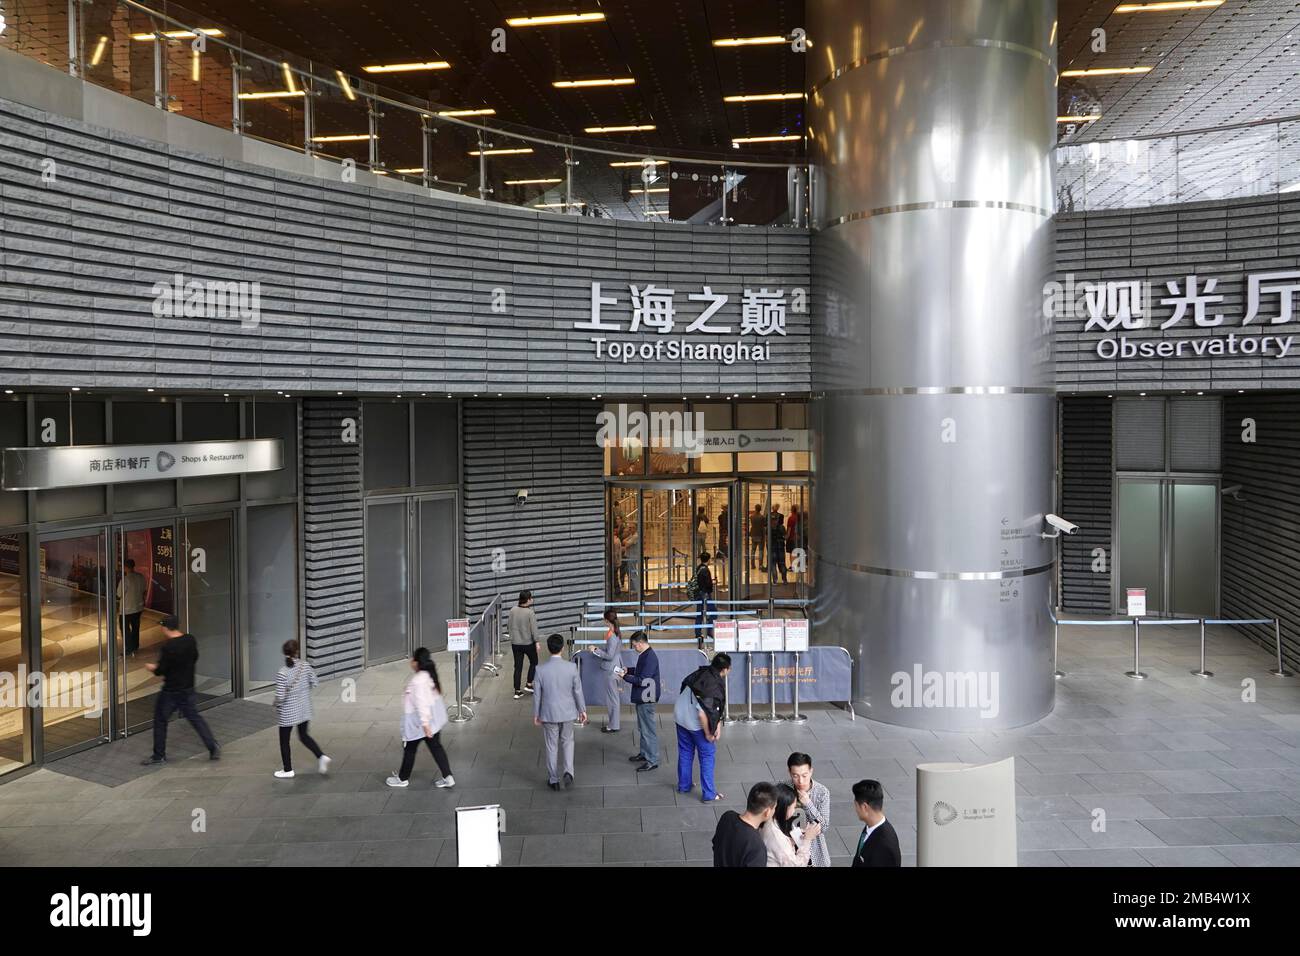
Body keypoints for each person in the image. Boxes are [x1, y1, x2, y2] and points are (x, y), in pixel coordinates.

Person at [140, 615, 220, 765]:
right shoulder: (190, 639)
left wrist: (152, 668)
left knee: (160, 720)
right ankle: (212, 746)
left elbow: (160, 670)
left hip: (171, 690)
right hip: (188, 687)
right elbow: (195, 657)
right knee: (195, 718)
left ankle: (159, 755)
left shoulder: (168, 647)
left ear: (164, 628)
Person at [387, 648, 455, 789]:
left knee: (410, 750)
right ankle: (448, 776)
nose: (411, 661)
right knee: (436, 748)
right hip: (432, 722)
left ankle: (402, 779)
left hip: (419, 725)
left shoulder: (418, 681)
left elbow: (421, 704)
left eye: (413, 659)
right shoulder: (429, 675)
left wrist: (425, 724)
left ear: (416, 662)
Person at [534, 633, 588, 790]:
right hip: (568, 712)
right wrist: (582, 710)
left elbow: (537, 695)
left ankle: (553, 780)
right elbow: (578, 691)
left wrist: (536, 714)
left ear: (548, 649)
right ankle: (568, 772)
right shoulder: (571, 667)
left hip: (548, 713)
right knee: (568, 742)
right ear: (562, 649)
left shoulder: (540, 670)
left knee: (551, 745)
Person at [675, 653, 730, 802]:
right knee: (707, 755)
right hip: (695, 721)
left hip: (680, 714)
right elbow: (702, 713)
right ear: (726, 670)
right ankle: (709, 794)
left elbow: (684, 685)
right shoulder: (713, 684)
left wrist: (717, 722)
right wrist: (708, 733)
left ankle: (684, 785)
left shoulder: (701, 672)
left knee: (685, 750)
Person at [273, 639, 330, 779]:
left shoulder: (282, 673)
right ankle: (321, 756)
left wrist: (276, 703)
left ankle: (288, 770)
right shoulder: (306, 666)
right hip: (304, 708)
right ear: (297, 651)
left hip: (288, 711)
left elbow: (280, 696)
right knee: (304, 736)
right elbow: (315, 683)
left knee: (284, 740)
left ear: (284, 653)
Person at [712, 782, 777, 867]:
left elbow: (715, 845)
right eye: (774, 808)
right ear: (767, 811)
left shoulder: (727, 817)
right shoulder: (756, 847)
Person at [622, 630, 660, 771]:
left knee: (648, 729)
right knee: (643, 727)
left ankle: (652, 760)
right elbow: (640, 671)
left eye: (634, 645)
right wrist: (629, 670)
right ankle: (645, 754)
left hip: (646, 697)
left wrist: (624, 677)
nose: (634, 648)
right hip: (644, 696)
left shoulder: (649, 657)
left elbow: (643, 680)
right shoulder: (645, 655)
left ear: (641, 643)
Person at [787, 752, 832, 867]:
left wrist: (808, 804)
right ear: (789, 772)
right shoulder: (783, 789)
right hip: (788, 847)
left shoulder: (822, 792)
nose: (800, 781)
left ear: (811, 771)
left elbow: (824, 826)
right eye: (795, 776)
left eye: (804, 775)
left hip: (813, 849)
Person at [762, 782, 823, 867]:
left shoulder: (767, 820)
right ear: (784, 808)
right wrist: (807, 839)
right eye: (793, 807)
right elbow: (797, 864)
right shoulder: (778, 839)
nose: (794, 811)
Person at [851, 779, 902, 867]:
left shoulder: (885, 846)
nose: (855, 810)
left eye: (856, 805)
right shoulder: (870, 827)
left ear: (864, 807)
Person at [589, 608, 623, 732]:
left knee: (612, 699)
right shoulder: (617, 632)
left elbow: (609, 656)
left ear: (607, 620)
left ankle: (613, 725)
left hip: (611, 670)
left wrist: (595, 650)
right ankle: (614, 724)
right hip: (616, 667)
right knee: (614, 697)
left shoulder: (612, 636)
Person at [508, 590, 542, 700]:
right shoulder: (530, 612)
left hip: (515, 643)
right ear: (527, 600)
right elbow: (534, 629)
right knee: (534, 662)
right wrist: (537, 642)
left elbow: (508, 625)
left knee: (518, 666)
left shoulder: (513, 610)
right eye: (531, 598)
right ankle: (528, 683)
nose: (532, 599)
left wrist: (513, 637)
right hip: (528, 643)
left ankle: (517, 691)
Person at [117, 558, 146, 657]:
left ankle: (129, 648)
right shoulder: (141, 577)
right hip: (138, 607)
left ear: (125, 567)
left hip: (126, 609)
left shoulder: (125, 580)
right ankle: (135, 645)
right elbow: (143, 590)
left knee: (124, 629)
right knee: (135, 627)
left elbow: (119, 594)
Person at [693, 551, 716, 644]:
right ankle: (709, 631)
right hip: (705, 595)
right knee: (713, 612)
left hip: (699, 594)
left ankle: (698, 633)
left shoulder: (699, 567)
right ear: (708, 559)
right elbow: (708, 584)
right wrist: (711, 587)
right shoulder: (705, 570)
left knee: (699, 614)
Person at [769, 503, 788, 584]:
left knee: (773, 564)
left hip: (772, 546)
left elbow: (767, 537)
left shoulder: (769, 527)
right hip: (780, 546)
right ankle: (784, 580)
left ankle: (775, 580)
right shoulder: (782, 527)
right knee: (782, 563)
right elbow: (785, 536)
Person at [748, 503, 766, 570]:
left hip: (753, 534)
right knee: (761, 550)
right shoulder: (762, 517)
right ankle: (760, 565)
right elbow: (763, 526)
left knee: (753, 550)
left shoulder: (751, 516)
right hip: (760, 535)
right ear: (760, 509)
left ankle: (752, 564)